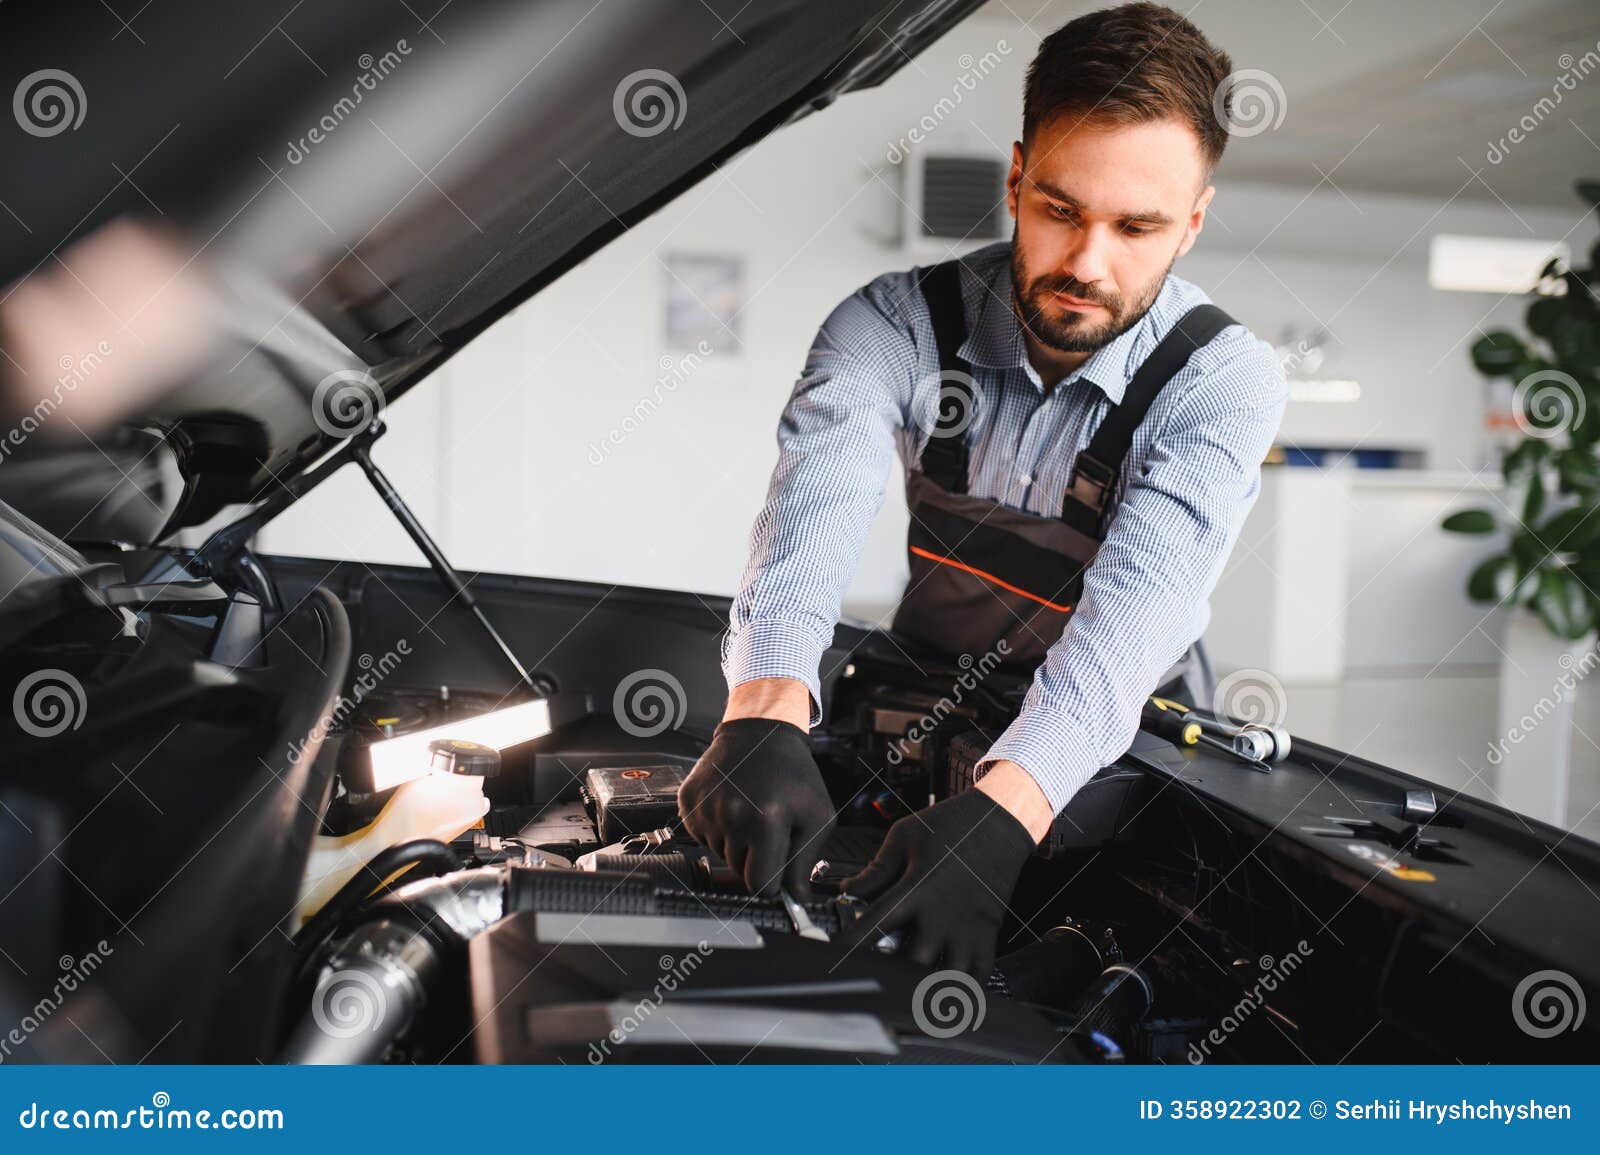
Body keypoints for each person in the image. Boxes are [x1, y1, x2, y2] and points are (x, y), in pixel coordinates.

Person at [679, 2, 1286, 977]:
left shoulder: (1221, 382)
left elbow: (1135, 618)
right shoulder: (893, 325)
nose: (1088, 264)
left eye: (1137, 226)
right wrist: (765, 705)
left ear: (1195, 222)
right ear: (1014, 179)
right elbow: (815, 500)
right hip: (921, 697)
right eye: (1060, 209)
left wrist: (1008, 810)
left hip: (1110, 742)